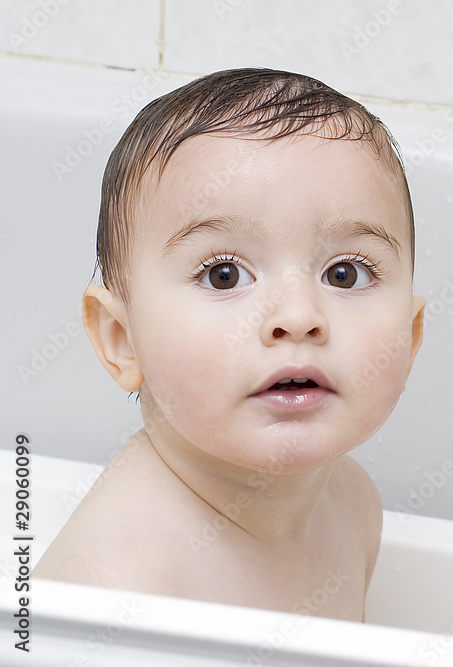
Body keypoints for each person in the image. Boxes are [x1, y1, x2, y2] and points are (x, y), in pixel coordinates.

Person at [33, 68, 425, 622]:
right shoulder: (121, 591)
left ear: (409, 340)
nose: (297, 317)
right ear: (122, 341)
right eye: (224, 275)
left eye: (344, 275)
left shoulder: (354, 504)